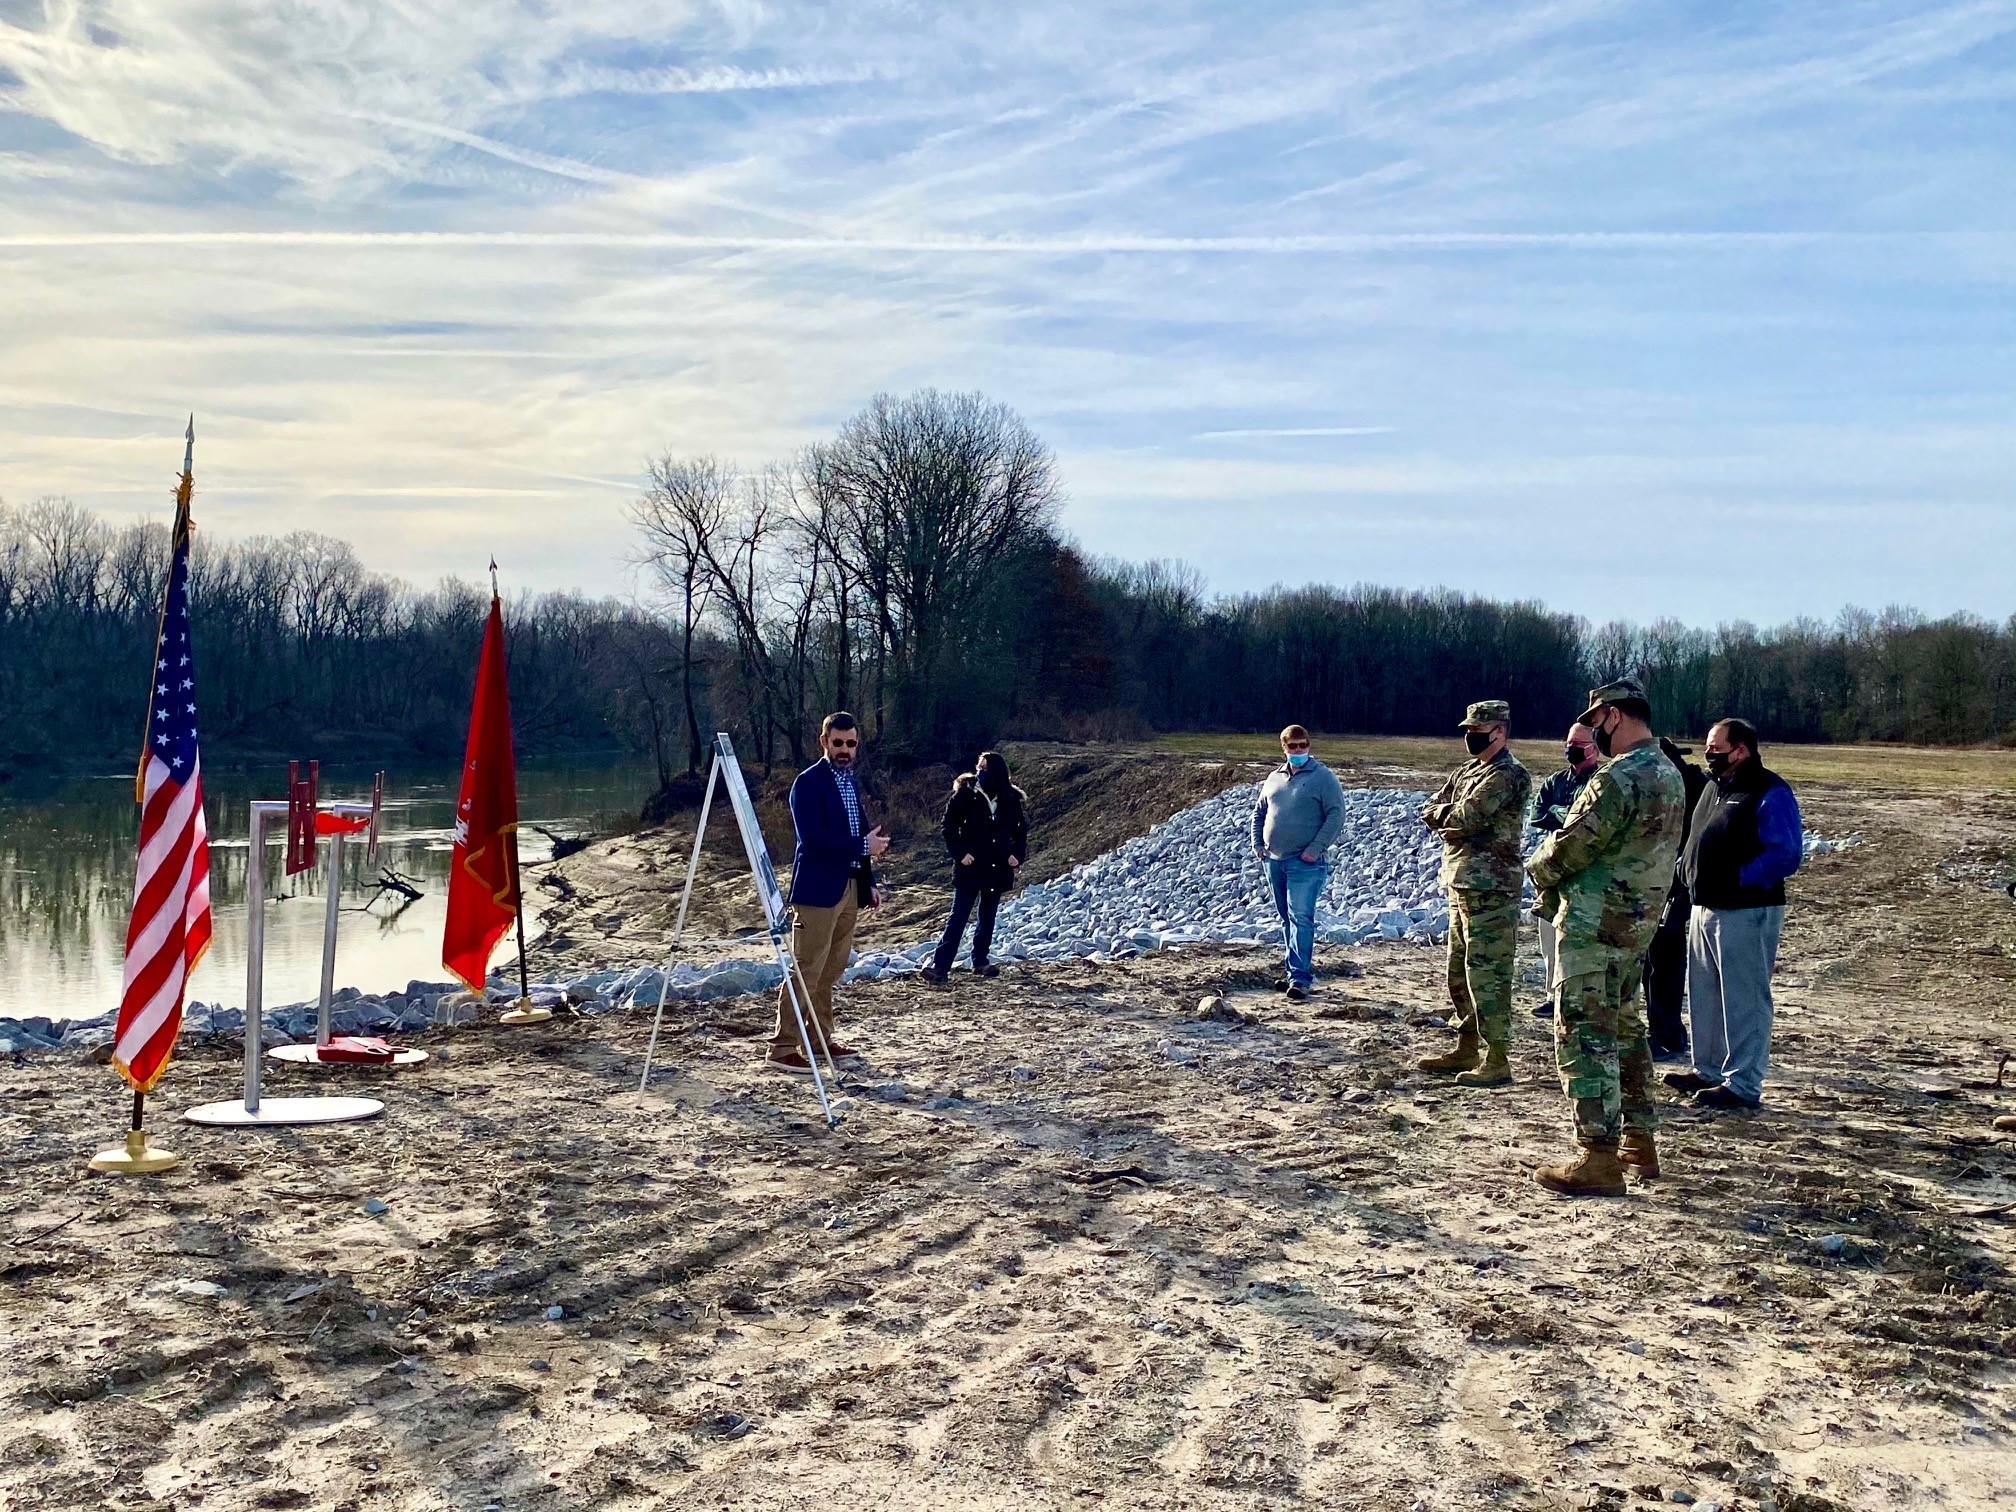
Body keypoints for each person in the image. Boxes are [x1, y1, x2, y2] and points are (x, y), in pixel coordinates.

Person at [1524, 678, 1686, 1194]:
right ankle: (1639, 1143)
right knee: (1625, 1030)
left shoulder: (1620, 777)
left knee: (1584, 1035)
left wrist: (1536, 867)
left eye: (1597, 724)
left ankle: (1597, 1156)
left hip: (1595, 925)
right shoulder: (1670, 772)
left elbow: (1572, 847)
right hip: (1636, 926)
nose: (1597, 736)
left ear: (1613, 716)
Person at [1664, 718, 1803, 1111]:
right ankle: (1707, 1070)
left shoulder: (1769, 791)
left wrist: (1740, 879)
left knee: (1743, 999)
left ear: (1740, 750)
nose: (1709, 754)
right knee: (1705, 994)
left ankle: (1743, 1083)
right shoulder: (1715, 787)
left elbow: (1786, 853)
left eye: (1716, 748)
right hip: (1703, 906)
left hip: (1746, 910)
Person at [1417, 700, 1532, 1087]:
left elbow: (1467, 818)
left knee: (1489, 973)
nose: (1470, 736)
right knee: (1458, 970)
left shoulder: (1508, 775)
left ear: (1499, 731)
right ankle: (1467, 1045)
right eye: (1468, 729)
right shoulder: (1468, 770)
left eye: (1477, 730)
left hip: (1492, 887)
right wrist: (1447, 818)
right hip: (1461, 881)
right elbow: (1433, 807)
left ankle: (1497, 1056)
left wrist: (1448, 819)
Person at [768, 712, 890, 1072]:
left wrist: (867, 881)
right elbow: (814, 839)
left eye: (850, 743)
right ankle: (782, 1047)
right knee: (807, 968)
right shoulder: (807, 783)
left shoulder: (850, 781)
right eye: (837, 742)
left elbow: (861, 833)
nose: (844, 749)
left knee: (832, 968)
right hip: (817, 890)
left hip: (849, 886)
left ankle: (819, 1038)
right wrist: (861, 846)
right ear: (824, 742)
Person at [1250, 724, 1345, 1002]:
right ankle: (1293, 971)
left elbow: (1336, 815)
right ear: (1284, 748)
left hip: (1305, 863)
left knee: (1301, 918)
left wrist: (1315, 850)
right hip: (1274, 860)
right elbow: (1260, 812)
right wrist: (1258, 845)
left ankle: (1301, 978)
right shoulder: (1273, 778)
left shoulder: (1323, 778)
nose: (1299, 750)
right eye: (1293, 746)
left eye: (1303, 745)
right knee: (1286, 919)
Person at [929, 751, 1029, 984]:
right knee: (959, 917)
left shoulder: (1011, 798)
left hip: (997, 867)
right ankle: (940, 967)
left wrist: (1016, 854)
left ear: (996, 771)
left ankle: (980, 961)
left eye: (984, 768)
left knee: (988, 916)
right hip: (970, 867)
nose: (979, 771)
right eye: (978, 767)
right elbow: (948, 826)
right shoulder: (966, 794)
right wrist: (960, 854)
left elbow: (1020, 831)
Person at [1642, 736, 1710, 1060]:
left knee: (1665, 962)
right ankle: (1661, 1029)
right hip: (1654, 883)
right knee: (1650, 964)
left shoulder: (1697, 788)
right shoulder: (1668, 784)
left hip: (1678, 886)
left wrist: (1683, 887)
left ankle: (1666, 1033)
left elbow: (1699, 839)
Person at [1528, 723, 1601, 1021]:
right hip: (1551, 872)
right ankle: (1552, 995)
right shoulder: (1554, 782)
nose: (1571, 748)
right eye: (1569, 742)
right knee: (1548, 937)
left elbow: (1583, 825)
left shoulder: (1600, 782)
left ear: (1594, 747)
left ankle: (1579, 998)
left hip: (1583, 874)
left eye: (1579, 743)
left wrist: (1563, 816)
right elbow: (1540, 816)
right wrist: (1565, 816)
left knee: (1579, 940)